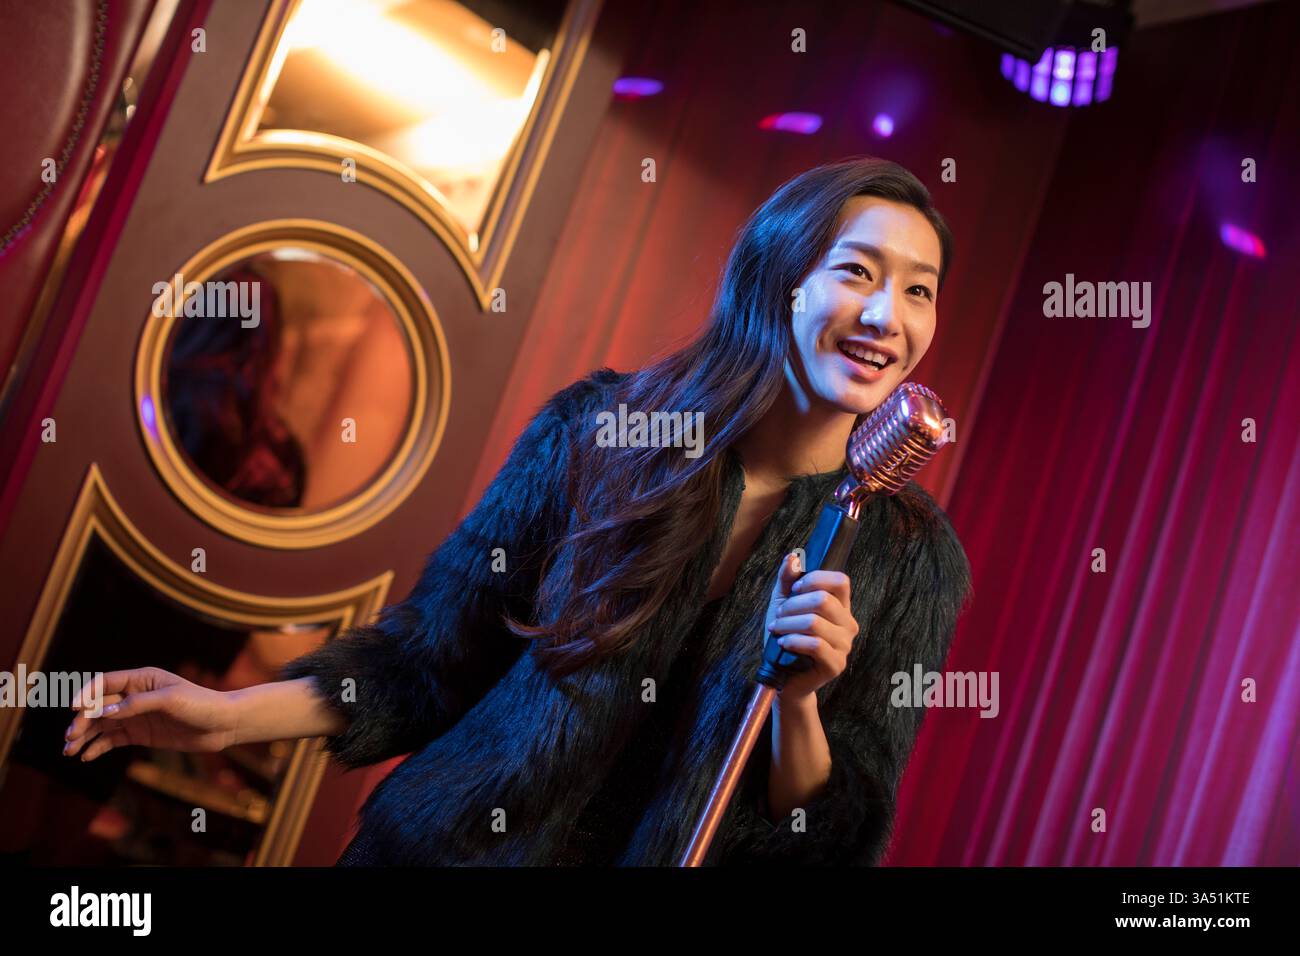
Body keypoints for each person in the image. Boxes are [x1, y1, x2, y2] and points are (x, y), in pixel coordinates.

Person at [61, 156, 973, 866]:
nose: (889, 316)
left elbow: (831, 834)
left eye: (919, 290)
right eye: (859, 272)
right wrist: (224, 716)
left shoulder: (911, 558)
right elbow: (430, 658)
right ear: (782, 281)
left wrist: (801, 707)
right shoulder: (604, 430)